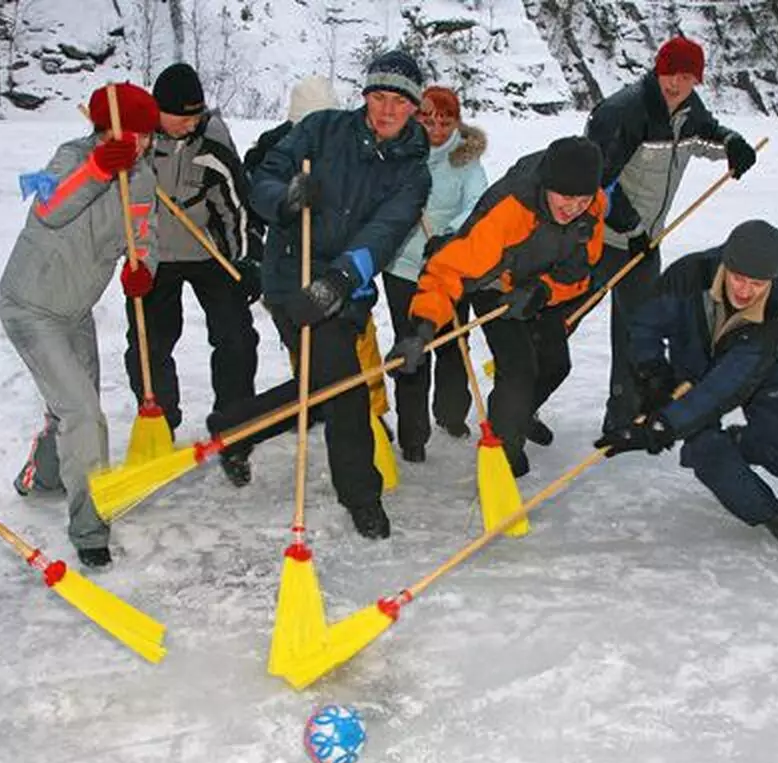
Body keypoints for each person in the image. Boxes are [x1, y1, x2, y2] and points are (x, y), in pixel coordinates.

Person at [209, 50, 431, 539]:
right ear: (365, 97)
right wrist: (285, 199)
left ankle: (236, 427)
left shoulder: (415, 172)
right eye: (378, 96)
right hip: (291, 275)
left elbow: (384, 233)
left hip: (345, 285)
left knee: (323, 385)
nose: (387, 109)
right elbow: (262, 178)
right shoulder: (321, 130)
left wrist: (341, 281)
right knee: (345, 388)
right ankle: (362, 498)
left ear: (415, 107)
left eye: (399, 100)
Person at [1, 82, 160, 568]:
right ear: (103, 129)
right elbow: (49, 210)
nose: (140, 144)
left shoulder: (143, 178)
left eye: (147, 136)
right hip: (30, 305)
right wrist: (96, 171)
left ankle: (43, 476)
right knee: (84, 415)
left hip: (75, 312)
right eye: (130, 134)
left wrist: (143, 270)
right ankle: (90, 526)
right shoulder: (71, 159)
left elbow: (144, 235)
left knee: (70, 410)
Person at [389, 136, 607, 477]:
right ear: (547, 184)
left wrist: (544, 292)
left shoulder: (593, 206)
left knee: (555, 364)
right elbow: (449, 270)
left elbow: (581, 269)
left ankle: (515, 418)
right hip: (494, 285)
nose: (574, 207)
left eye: (583, 198)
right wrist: (423, 327)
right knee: (518, 371)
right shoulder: (508, 210)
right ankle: (503, 451)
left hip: (539, 288)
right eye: (566, 196)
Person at [595, 220, 778, 546]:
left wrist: (665, 426)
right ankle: (770, 515)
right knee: (706, 449)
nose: (744, 291)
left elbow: (722, 388)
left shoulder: (774, 320)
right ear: (725, 264)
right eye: (738, 278)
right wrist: (654, 375)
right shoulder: (689, 275)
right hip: (691, 368)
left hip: (754, 374)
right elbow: (645, 326)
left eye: (756, 283)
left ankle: (738, 442)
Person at [585, 36, 758, 434]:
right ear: (657, 69)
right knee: (563, 319)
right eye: (669, 73)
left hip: (644, 245)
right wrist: (628, 228)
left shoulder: (689, 110)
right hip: (599, 240)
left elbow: (705, 134)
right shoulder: (623, 112)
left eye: (685, 77)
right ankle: (527, 402)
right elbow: (597, 181)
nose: (675, 84)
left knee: (636, 328)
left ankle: (623, 415)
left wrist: (732, 145)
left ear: (695, 80)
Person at [126, 62, 260, 488]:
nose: (188, 124)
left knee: (236, 338)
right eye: (179, 116)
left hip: (208, 253)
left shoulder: (213, 143)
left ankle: (234, 431)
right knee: (149, 344)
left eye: (195, 116)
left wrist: (245, 260)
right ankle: (160, 424)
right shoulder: (137, 141)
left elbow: (237, 207)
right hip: (151, 258)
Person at [243, 75, 393, 434]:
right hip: (291, 270)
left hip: (342, 267)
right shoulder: (275, 153)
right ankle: (309, 408)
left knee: (362, 340)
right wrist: (288, 199)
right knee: (310, 351)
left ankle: (371, 415)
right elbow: (259, 195)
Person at [384, 85, 488, 460]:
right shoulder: (398, 152)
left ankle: (451, 413)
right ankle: (413, 436)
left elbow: (478, 203)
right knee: (411, 348)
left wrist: (448, 237)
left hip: (447, 267)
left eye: (445, 122)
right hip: (403, 267)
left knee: (451, 343)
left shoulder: (465, 160)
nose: (436, 130)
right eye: (428, 120)